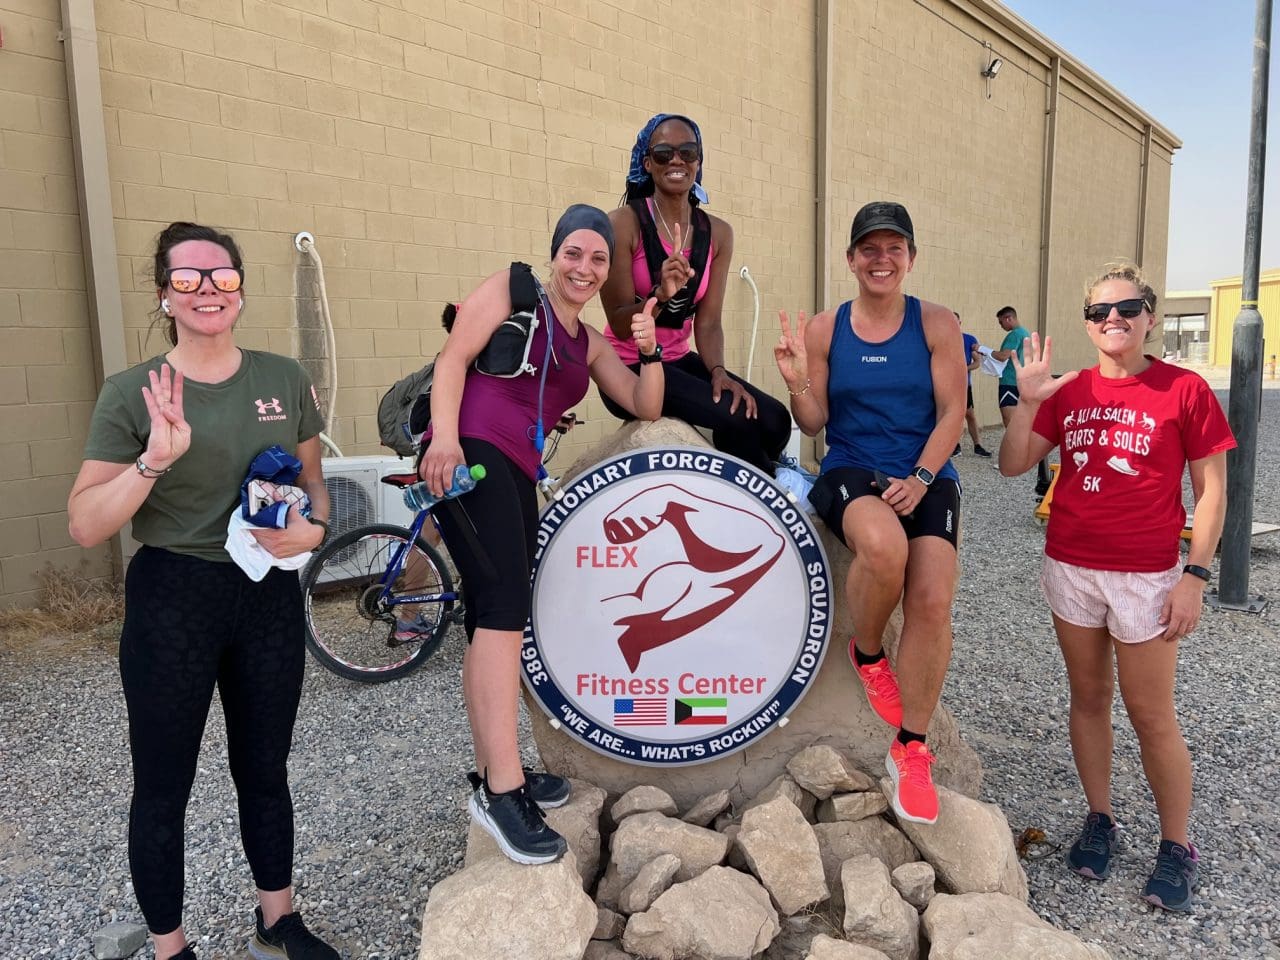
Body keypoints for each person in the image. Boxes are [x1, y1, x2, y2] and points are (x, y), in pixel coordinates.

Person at [67, 223, 339, 960]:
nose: (207, 291)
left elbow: (314, 484)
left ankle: (277, 919)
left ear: (241, 288)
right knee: (163, 783)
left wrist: (312, 530)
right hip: (174, 600)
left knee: (264, 766)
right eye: (187, 279)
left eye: (220, 276)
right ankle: (169, 947)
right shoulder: (133, 393)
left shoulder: (283, 379)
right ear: (165, 294)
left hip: (265, 595)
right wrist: (152, 462)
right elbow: (86, 523)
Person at [418, 204, 664, 864]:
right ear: (554, 255)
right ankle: (502, 791)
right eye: (574, 254)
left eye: (599, 259)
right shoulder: (511, 289)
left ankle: (500, 774)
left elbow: (646, 403)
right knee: (503, 615)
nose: (584, 268)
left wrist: (648, 345)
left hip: (516, 469)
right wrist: (441, 439)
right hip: (471, 453)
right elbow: (452, 360)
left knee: (490, 620)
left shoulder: (587, 342)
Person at [997, 263, 1234, 912]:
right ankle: (1100, 818)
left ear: (1150, 317)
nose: (1114, 320)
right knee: (1089, 698)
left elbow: (1212, 491)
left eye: (1128, 308)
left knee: (1152, 715)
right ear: (1087, 323)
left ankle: (1177, 845)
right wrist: (1030, 401)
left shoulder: (1183, 390)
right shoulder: (1069, 392)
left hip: (1149, 578)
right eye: (1101, 312)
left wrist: (1196, 575)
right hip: (1071, 568)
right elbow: (1016, 464)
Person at [774, 201, 966, 824]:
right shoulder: (828, 328)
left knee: (934, 597)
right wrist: (797, 381)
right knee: (886, 550)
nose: (882, 259)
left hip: (926, 470)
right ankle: (866, 651)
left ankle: (912, 748)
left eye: (894, 248)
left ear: (911, 257)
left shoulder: (936, 323)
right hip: (851, 466)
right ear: (852, 258)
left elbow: (952, 414)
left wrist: (922, 477)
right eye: (870, 249)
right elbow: (814, 422)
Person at [599, 113, 791, 474]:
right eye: (663, 153)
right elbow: (621, 325)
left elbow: (709, 322)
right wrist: (659, 293)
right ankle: (772, 494)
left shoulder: (717, 233)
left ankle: (763, 481)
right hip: (629, 366)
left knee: (775, 420)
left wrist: (717, 370)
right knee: (737, 419)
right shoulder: (622, 224)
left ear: (698, 162)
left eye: (687, 152)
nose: (676, 161)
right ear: (647, 162)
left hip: (678, 358)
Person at [955, 313, 992, 457]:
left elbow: (977, 362)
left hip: (964, 384)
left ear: (960, 322)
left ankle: (978, 445)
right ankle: (954, 446)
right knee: (951, 415)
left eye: (955, 321)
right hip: (946, 385)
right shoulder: (942, 338)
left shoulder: (969, 340)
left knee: (969, 414)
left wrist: (963, 369)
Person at [992, 305, 1029, 426]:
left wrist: (984, 351)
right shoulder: (1025, 333)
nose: (1001, 326)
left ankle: (1014, 445)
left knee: (1010, 422)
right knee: (1021, 421)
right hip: (1022, 381)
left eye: (1001, 322)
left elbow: (1003, 356)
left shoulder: (1014, 335)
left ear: (1008, 318)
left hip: (1009, 382)